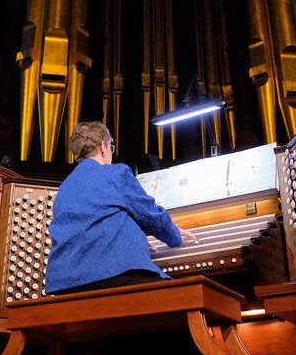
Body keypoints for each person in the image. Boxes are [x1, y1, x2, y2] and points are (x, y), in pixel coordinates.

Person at [45, 121, 199, 295]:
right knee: (188, 296)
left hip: (65, 286)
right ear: (104, 147)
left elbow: (89, 223)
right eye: (111, 147)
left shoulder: (65, 188)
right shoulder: (116, 173)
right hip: (114, 278)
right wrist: (175, 236)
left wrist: (133, 236)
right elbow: (151, 215)